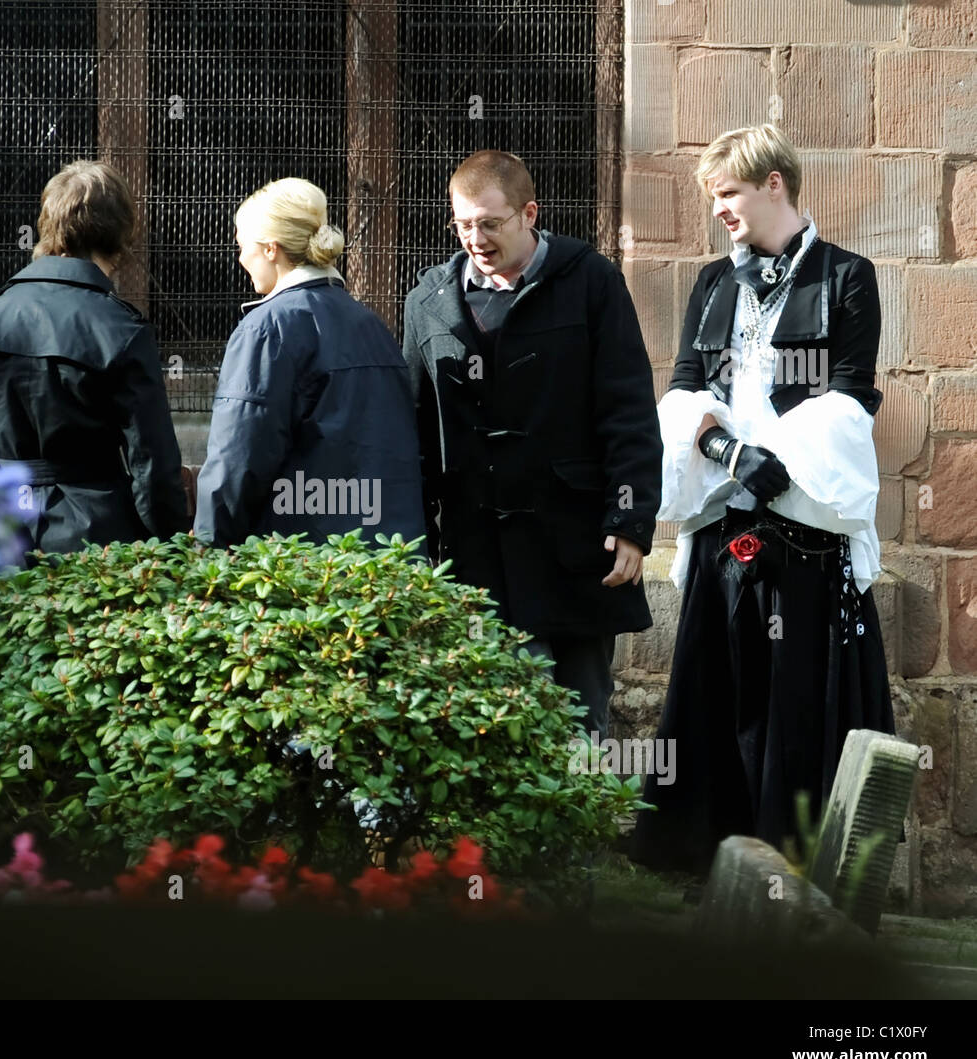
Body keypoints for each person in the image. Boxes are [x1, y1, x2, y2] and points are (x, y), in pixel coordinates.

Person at [628, 124, 895, 875]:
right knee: (718, 696)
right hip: (724, 518)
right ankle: (707, 867)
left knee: (793, 705)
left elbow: (852, 395)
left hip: (802, 527)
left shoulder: (847, 276)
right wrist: (726, 451)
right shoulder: (714, 283)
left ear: (774, 182)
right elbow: (683, 388)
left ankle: (789, 872)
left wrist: (778, 459)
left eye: (728, 193)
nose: (719, 210)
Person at [402, 150, 662, 738]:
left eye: (490, 224)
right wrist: (414, 549)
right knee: (492, 734)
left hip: (574, 548)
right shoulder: (429, 302)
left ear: (528, 214)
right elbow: (413, 433)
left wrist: (631, 519)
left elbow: (628, 410)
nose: (476, 238)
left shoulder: (591, 282)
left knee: (577, 728)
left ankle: (580, 833)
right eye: (463, 224)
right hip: (474, 555)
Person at [0, 159, 189, 557]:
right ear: (120, 230)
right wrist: (170, 549)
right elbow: (151, 465)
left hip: (1, 532)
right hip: (97, 542)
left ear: (49, 224)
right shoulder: (120, 328)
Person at [193, 178, 425, 548]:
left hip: (300, 565)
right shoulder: (373, 326)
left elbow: (238, 455)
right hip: (385, 556)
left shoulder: (266, 329)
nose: (239, 259)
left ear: (271, 249)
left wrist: (209, 544)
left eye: (241, 246)